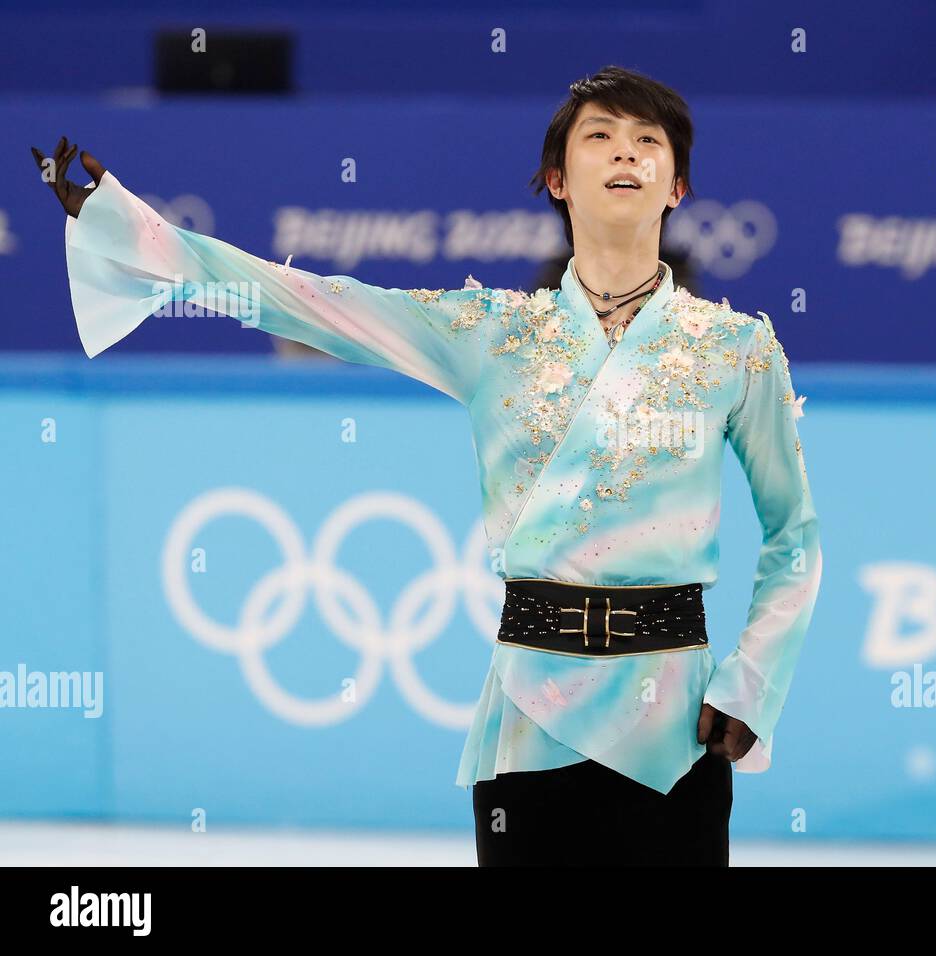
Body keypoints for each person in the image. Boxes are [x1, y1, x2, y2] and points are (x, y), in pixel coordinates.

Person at [32, 64, 822, 867]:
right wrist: (131, 232)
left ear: (677, 187)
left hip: (674, 730)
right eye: (600, 137)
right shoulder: (489, 332)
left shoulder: (738, 348)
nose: (627, 153)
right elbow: (309, 301)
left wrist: (751, 680)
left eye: (648, 141)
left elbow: (795, 534)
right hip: (529, 725)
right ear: (557, 179)